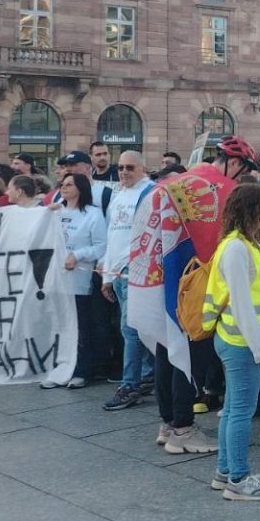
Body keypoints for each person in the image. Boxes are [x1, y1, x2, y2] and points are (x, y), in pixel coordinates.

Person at [136, 136, 260, 456]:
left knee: (167, 350)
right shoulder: (222, 189)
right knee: (191, 356)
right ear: (234, 163)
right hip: (198, 285)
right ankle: (183, 428)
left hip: (163, 280)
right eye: (243, 169)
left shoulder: (172, 183)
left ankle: (168, 423)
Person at [203, 183, 260, 500]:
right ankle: (238, 478)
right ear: (250, 210)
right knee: (240, 412)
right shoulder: (237, 249)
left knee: (234, 408)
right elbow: (243, 305)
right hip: (242, 343)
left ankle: (226, 471)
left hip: (239, 340)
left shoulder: (243, 244)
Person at [101, 152, 156, 410]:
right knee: (135, 330)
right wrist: (107, 276)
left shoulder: (150, 192)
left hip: (136, 270)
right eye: (120, 168)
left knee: (130, 330)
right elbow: (112, 235)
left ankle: (130, 383)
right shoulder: (118, 194)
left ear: (142, 168)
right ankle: (147, 374)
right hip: (119, 273)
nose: (124, 172)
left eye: (130, 168)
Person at [45, 173, 108, 389]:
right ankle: (59, 369)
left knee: (80, 327)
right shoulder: (55, 211)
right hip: (55, 278)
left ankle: (81, 370)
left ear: (80, 188)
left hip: (78, 280)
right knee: (59, 325)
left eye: (69, 184)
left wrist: (78, 254)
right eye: (62, 184)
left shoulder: (93, 214)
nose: (64, 187)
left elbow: (101, 245)